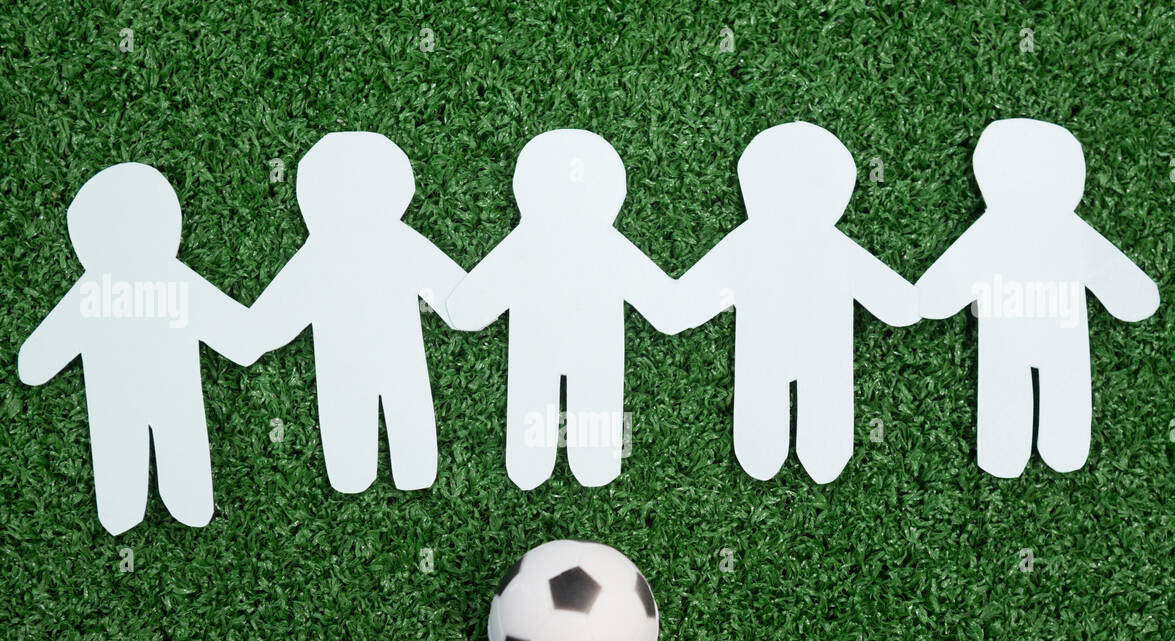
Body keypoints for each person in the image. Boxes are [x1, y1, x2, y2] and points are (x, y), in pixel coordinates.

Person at [18, 162, 257, 534]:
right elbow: (243, 339)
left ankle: (144, 508)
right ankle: (172, 504)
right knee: (166, 439)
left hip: (123, 399)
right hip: (164, 395)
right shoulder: (168, 282)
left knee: (132, 448)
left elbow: (34, 362)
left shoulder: (95, 290)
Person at [673, 122, 918, 483]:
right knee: (807, 407)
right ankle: (793, 454)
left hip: (781, 350)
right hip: (807, 351)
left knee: (797, 404)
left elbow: (685, 303)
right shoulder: (828, 245)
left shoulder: (757, 241)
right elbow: (901, 305)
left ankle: (784, 453)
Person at [916, 118, 1159, 477]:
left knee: (1042, 383)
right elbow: (939, 290)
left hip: (1035, 334)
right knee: (1017, 384)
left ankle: (1036, 450)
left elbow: (936, 294)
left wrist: (923, 300)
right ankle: (1017, 450)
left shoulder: (1027, 231)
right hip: (1033, 334)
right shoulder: (1015, 230)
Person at [446, 128, 684, 489]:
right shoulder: (603, 245)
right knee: (583, 415)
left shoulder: (530, 242)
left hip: (544, 348)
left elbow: (466, 309)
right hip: (585, 350)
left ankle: (547, 465)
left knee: (551, 407)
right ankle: (574, 464)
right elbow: (667, 309)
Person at [242, 132, 466, 492]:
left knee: (376, 406)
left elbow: (270, 320)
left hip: (357, 359)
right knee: (377, 407)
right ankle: (397, 470)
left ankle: (394, 469)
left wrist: (248, 335)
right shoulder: (385, 242)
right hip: (376, 357)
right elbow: (460, 300)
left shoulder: (339, 249)